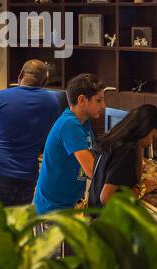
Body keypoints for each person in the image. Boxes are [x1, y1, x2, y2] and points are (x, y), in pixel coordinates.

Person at [0, 59, 63, 206]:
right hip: (26, 179)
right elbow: (48, 140)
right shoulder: (52, 103)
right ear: (45, 81)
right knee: (16, 227)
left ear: (20, 75)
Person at [33, 73, 105, 214]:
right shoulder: (70, 124)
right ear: (82, 100)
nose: (103, 105)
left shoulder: (83, 122)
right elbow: (92, 170)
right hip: (53, 209)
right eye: (99, 100)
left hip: (68, 205)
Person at [89, 104, 157, 208]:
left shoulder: (113, 140)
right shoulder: (126, 150)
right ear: (144, 128)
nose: (151, 143)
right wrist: (142, 188)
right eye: (153, 136)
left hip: (92, 213)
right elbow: (106, 198)